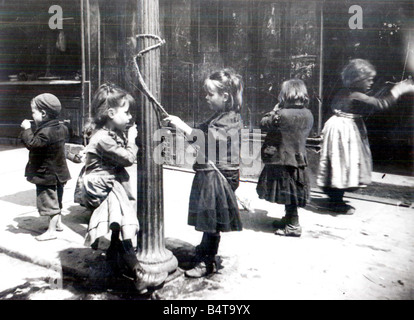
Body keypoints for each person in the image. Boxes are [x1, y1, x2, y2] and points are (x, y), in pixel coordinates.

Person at [165, 68, 244, 278]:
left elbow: (203, 139)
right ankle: (205, 249)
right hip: (217, 173)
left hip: (218, 175)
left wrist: (181, 125)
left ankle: (206, 262)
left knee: (210, 218)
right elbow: (202, 130)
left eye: (210, 94)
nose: (206, 97)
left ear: (225, 96)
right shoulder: (224, 116)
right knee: (211, 216)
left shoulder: (226, 121)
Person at [317, 59, 414, 214]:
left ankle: (334, 195)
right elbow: (380, 104)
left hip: (340, 127)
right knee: (344, 163)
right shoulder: (356, 96)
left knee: (340, 163)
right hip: (345, 131)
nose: (371, 83)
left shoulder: (346, 91)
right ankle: (336, 201)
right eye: (368, 80)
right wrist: (399, 90)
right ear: (357, 80)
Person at [74, 83, 147, 290]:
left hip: (111, 181)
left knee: (118, 225)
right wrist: (133, 140)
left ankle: (114, 267)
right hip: (107, 185)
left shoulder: (108, 132)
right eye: (126, 112)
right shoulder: (104, 138)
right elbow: (128, 158)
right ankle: (137, 272)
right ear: (111, 113)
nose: (130, 116)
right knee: (125, 223)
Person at [256, 79, 314, 237]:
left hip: (281, 159)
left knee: (287, 191)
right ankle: (288, 218)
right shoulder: (308, 114)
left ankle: (293, 225)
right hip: (298, 159)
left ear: (285, 95)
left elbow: (263, 123)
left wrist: (274, 111)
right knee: (293, 191)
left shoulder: (280, 115)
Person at [20, 93, 71, 241]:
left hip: (46, 175)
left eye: (33, 112)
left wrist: (27, 129)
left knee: (49, 203)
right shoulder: (61, 128)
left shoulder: (44, 132)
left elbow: (32, 144)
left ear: (43, 113)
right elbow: (60, 148)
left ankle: (51, 232)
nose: (32, 115)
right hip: (59, 173)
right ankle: (58, 224)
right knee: (57, 200)